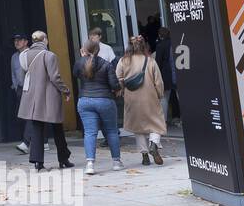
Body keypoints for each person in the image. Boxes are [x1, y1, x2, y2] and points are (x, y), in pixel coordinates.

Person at [19, 31, 72, 171]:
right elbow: (55, 77)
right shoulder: (49, 55)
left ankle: (38, 162)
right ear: (45, 40)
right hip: (49, 97)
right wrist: (66, 90)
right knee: (57, 128)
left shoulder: (24, 56)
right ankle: (63, 159)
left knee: (37, 128)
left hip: (32, 96)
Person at [117, 35, 166, 165]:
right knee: (157, 123)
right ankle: (154, 144)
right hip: (150, 97)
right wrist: (159, 95)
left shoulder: (123, 61)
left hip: (131, 98)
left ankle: (144, 155)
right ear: (144, 46)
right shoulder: (150, 61)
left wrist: (123, 90)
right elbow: (159, 82)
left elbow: (119, 78)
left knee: (138, 126)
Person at [75, 40, 122, 174]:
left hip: (84, 101)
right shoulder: (106, 64)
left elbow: (76, 74)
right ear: (98, 50)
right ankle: (116, 162)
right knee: (111, 131)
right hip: (104, 100)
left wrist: (82, 56)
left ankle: (90, 164)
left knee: (90, 132)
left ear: (84, 49)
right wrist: (118, 88)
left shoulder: (79, 63)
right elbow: (114, 85)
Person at [10, 34, 30, 153]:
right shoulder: (14, 57)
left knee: (30, 115)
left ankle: (28, 142)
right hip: (20, 89)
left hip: (30, 89)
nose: (16, 42)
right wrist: (16, 86)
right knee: (22, 116)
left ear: (26, 41)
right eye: (15, 41)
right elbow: (13, 73)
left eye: (19, 40)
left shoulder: (30, 54)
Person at [155, 27, 177, 127]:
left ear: (160, 35)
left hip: (166, 75)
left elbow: (158, 63)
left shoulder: (160, 45)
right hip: (177, 74)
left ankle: (163, 122)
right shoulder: (175, 43)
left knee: (164, 98)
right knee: (179, 96)